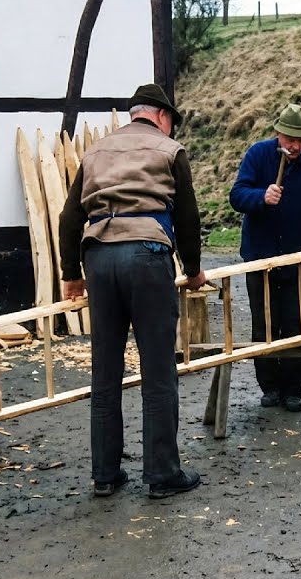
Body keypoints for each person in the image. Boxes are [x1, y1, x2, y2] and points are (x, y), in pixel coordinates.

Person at [58, 83, 207, 498]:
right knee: (157, 368)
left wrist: (72, 273)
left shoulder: (95, 153)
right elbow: (188, 216)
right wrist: (193, 271)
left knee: (105, 369)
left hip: (99, 257)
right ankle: (161, 475)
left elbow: (70, 217)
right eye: (170, 122)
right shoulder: (169, 150)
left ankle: (105, 474)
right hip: (146, 253)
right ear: (161, 116)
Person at [229, 103, 301, 413]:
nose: (295, 146)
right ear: (278, 134)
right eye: (290, 139)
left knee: (297, 323)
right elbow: (237, 196)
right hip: (259, 258)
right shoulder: (258, 155)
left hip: (296, 257)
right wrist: (260, 197)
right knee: (264, 323)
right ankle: (270, 387)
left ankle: (294, 390)